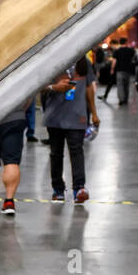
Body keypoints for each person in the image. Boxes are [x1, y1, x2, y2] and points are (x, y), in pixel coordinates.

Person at [42, 55, 99, 204]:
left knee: (77, 151)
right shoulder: (52, 61)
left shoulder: (84, 62)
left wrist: (94, 113)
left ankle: (79, 188)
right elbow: (39, 86)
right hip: (54, 117)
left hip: (77, 116)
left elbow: (89, 88)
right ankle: (58, 189)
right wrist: (54, 87)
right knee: (56, 153)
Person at [114, 36, 135, 106]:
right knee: (126, 85)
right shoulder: (130, 50)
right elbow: (133, 57)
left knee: (120, 85)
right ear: (126, 42)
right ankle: (125, 99)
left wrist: (112, 69)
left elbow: (114, 61)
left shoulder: (117, 51)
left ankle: (121, 99)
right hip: (127, 70)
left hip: (119, 70)